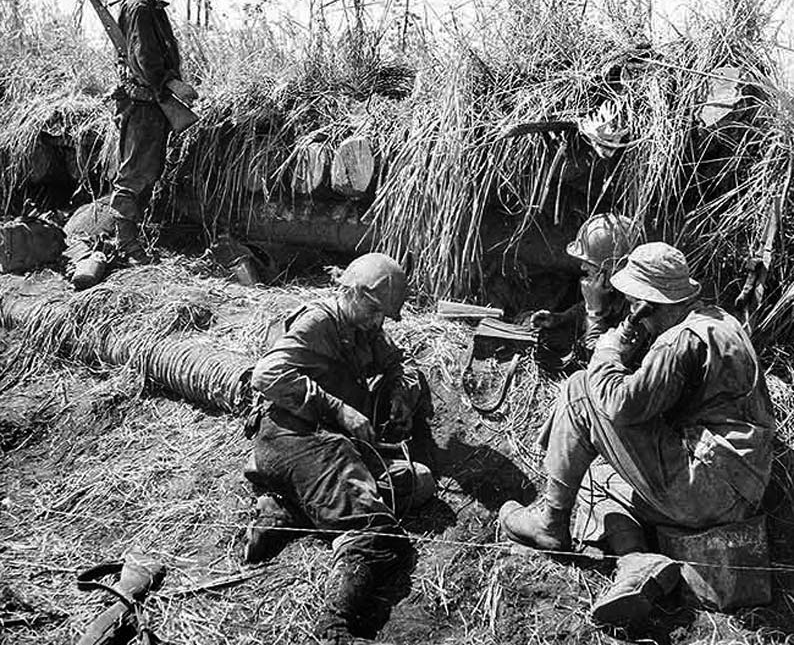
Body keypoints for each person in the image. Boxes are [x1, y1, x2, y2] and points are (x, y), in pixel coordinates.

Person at [499, 242, 775, 628]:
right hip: (742, 487)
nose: (633, 312)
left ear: (650, 302)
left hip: (705, 484)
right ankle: (636, 563)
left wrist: (608, 353)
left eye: (635, 303)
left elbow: (619, 405)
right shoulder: (720, 322)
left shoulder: (679, 340)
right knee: (598, 475)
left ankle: (549, 523)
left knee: (580, 390)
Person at [243, 252, 434, 645]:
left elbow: (402, 363)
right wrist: (338, 409)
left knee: (419, 482)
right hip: (294, 438)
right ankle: (334, 628)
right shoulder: (319, 321)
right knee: (376, 532)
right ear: (354, 293)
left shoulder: (364, 327)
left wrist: (400, 395)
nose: (378, 322)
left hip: (333, 446)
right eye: (375, 311)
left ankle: (288, 510)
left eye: (383, 316)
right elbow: (266, 375)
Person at [112, 0, 198, 265]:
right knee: (135, 173)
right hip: (143, 103)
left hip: (152, 102)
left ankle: (135, 241)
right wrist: (173, 84)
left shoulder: (148, 4)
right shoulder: (139, 6)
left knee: (149, 171)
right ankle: (127, 247)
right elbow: (143, 58)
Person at [529, 213, 638, 362]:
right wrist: (561, 319)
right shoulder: (619, 292)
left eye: (590, 263)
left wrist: (594, 313)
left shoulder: (639, 311)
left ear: (612, 270)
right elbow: (603, 307)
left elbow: (597, 363)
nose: (582, 267)